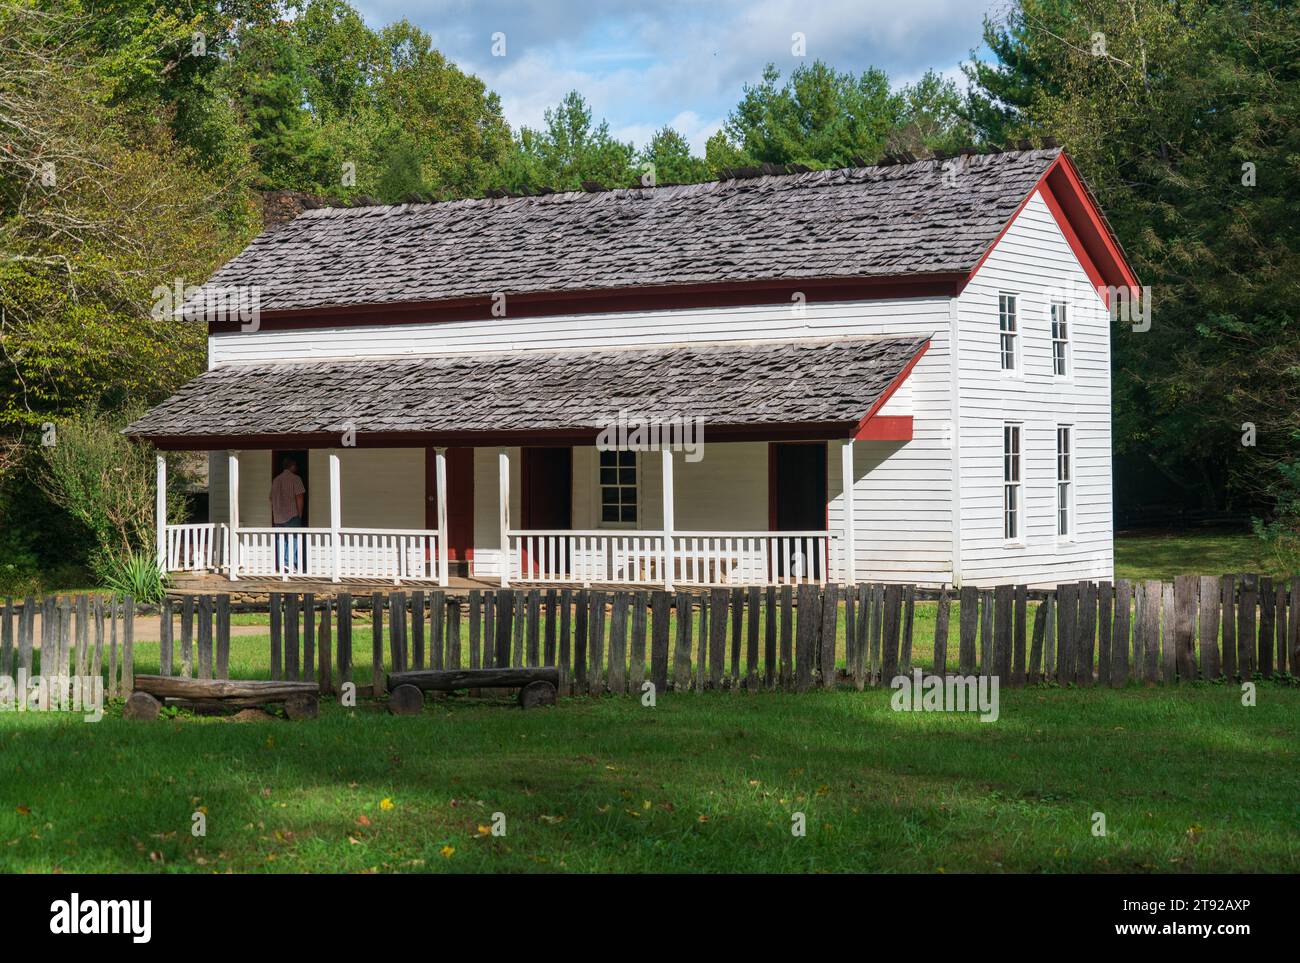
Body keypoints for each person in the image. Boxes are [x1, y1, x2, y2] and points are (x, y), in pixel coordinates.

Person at [270, 456, 306, 572]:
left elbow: (270, 498)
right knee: (294, 538)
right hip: (291, 514)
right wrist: (299, 514)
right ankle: (288, 562)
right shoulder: (295, 479)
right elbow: (299, 497)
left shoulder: (276, 480)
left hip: (278, 516)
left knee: (281, 539)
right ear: (293, 466)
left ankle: (283, 564)